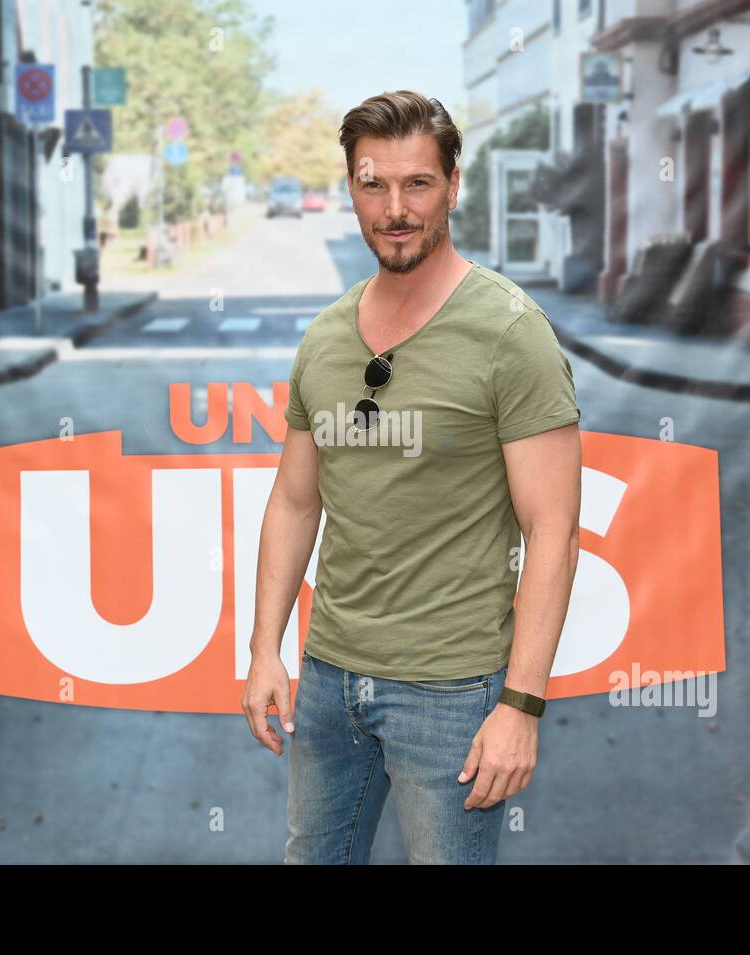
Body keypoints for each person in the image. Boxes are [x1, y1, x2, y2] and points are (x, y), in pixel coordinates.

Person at [242, 90, 582, 864]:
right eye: (374, 184)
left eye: (418, 184)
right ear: (352, 189)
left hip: (452, 690)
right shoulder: (326, 336)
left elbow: (553, 532)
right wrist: (267, 650)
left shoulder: (509, 333)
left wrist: (520, 704)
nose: (396, 209)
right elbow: (296, 502)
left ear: (453, 186)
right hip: (329, 681)